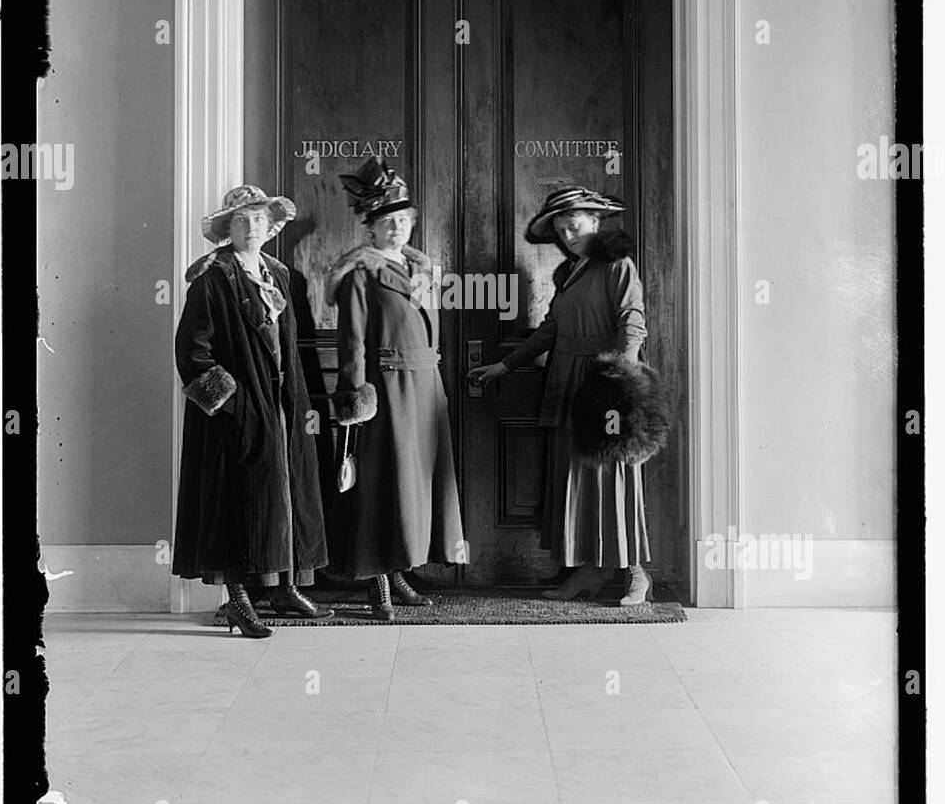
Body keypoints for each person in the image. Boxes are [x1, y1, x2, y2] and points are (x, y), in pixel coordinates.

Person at [470, 186, 654, 605]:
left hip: (604, 381)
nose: (568, 230)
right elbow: (551, 329)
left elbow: (633, 324)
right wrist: (505, 365)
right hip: (565, 380)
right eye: (560, 223)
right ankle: (586, 572)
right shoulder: (568, 273)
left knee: (613, 475)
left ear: (595, 220)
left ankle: (635, 574)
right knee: (574, 478)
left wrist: (619, 383)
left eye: (576, 220)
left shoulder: (617, 264)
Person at [172, 184, 333, 636]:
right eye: (242, 221)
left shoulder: (277, 274)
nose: (252, 228)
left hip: (282, 403)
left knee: (286, 494)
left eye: (259, 219)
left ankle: (285, 587)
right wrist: (234, 403)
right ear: (228, 228)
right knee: (238, 502)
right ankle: (238, 599)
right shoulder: (212, 278)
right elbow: (192, 351)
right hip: (239, 412)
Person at [325, 158, 466, 621]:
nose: (398, 229)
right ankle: (376, 581)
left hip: (425, 389)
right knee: (383, 483)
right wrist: (356, 395)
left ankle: (401, 568)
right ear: (371, 227)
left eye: (404, 221)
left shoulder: (421, 269)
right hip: (384, 391)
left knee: (417, 485)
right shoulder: (360, 275)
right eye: (388, 222)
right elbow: (353, 342)